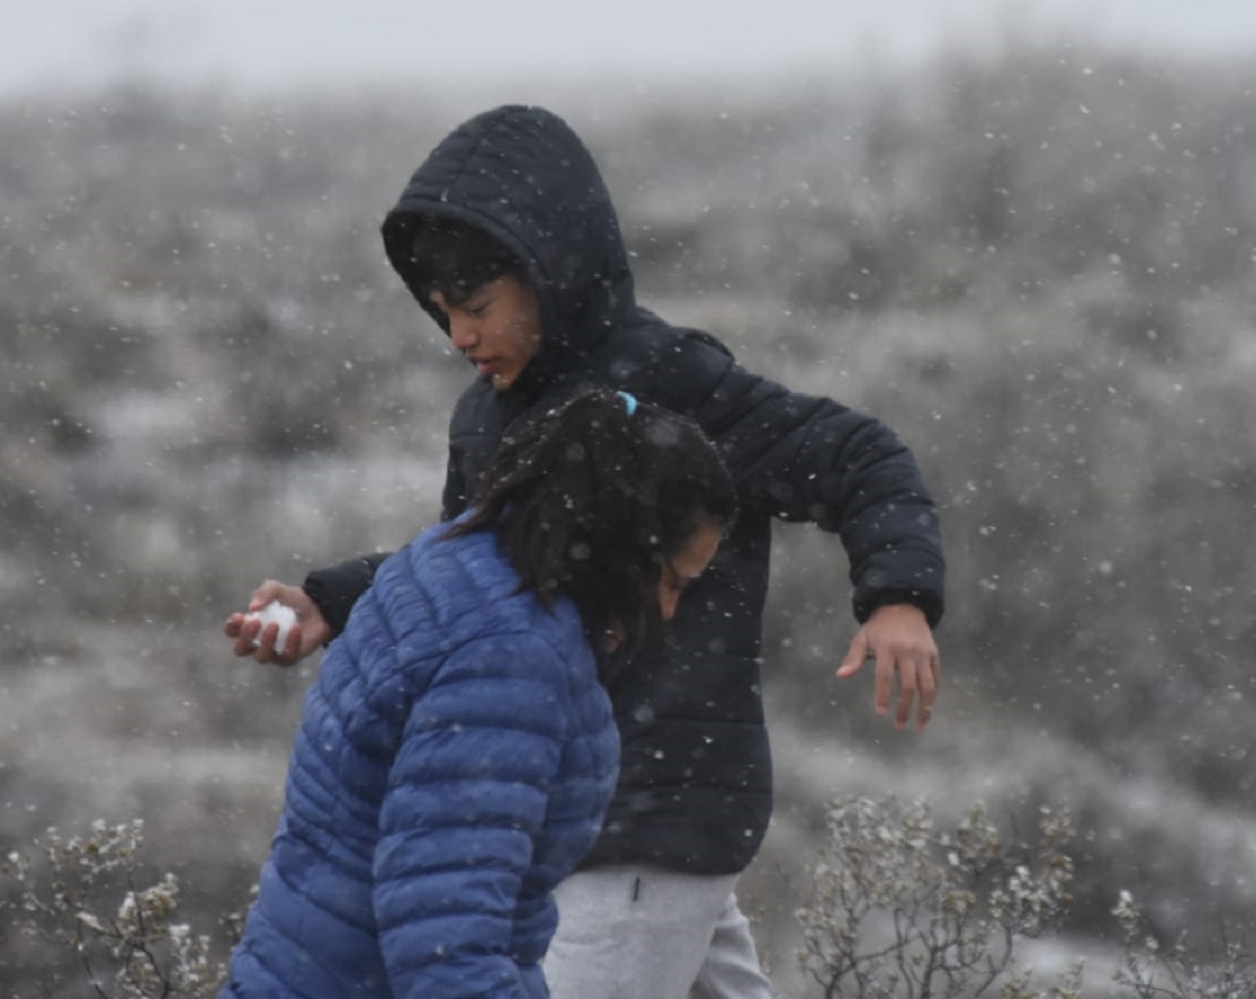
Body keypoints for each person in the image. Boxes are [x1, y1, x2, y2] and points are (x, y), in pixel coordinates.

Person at [224, 104, 947, 998]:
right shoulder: (487, 414)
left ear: (548, 272)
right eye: (444, 312)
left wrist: (898, 596)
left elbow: (858, 456)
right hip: (567, 816)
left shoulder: (676, 386)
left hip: (649, 824)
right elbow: (482, 574)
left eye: (479, 307)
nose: (460, 338)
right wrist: (335, 599)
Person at [221, 386, 737, 998]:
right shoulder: (512, 656)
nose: (670, 609)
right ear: (623, 543)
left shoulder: (456, 558)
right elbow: (446, 941)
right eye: (672, 580)